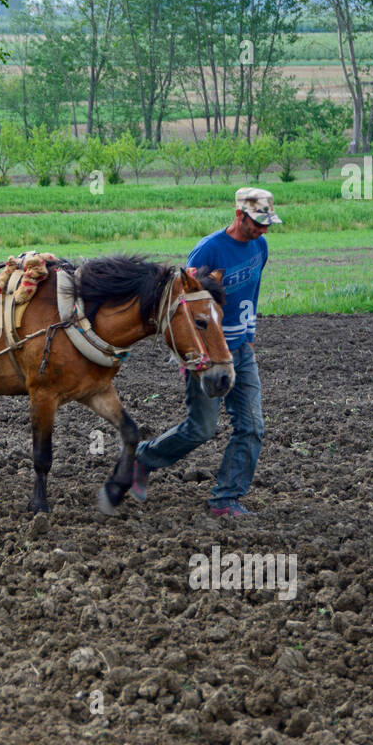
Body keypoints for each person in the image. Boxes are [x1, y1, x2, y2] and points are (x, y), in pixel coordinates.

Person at [130, 187, 282, 517]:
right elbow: (187, 305)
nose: (263, 230)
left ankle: (225, 499)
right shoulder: (208, 252)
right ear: (239, 215)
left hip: (240, 351)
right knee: (201, 429)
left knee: (252, 426)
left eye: (268, 224)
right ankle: (142, 458)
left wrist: (249, 332)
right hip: (207, 354)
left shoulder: (261, 246)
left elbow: (253, 292)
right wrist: (193, 355)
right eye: (258, 222)